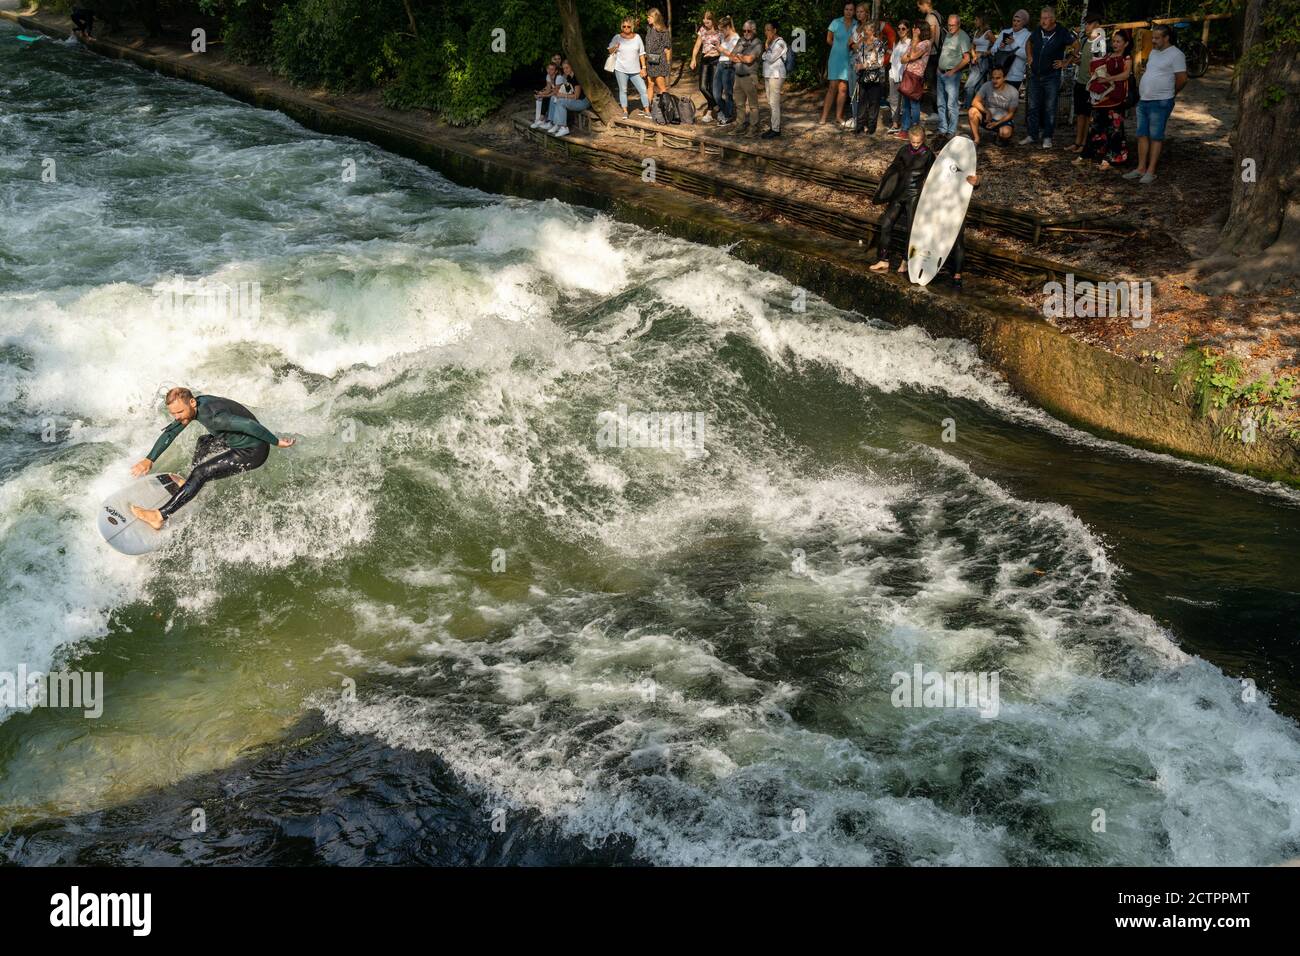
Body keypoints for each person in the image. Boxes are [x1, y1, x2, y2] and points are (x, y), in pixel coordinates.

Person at [128, 388, 294, 531]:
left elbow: (249, 425)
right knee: (204, 442)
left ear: (192, 402)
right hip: (232, 437)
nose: (177, 417)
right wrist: (149, 459)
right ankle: (189, 485)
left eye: (179, 412)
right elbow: (171, 431)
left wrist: (277, 441)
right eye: (174, 413)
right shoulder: (196, 405)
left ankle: (159, 516)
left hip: (252, 451)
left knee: (201, 473)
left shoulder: (215, 417)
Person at [1125, 23, 1188, 185]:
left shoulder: (1176, 55)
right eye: (1152, 37)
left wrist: (1170, 94)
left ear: (1167, 38)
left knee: (1156, 136)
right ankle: (1140, 168)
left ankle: (1151, 171)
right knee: (1141, 134)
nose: (1153, 40)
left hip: (1160, 101)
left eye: (1157, 38)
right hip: (1144, 99)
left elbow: (1182, 79)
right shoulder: (1153, 52)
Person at [869, 125, 935, 273]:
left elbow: (934, 177)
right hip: (899, 194)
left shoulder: (928, 154)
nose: (916, 145)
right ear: (909, 139)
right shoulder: (904, 151)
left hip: (914, 195)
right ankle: (883, 260)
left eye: (918, 142)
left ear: (923, 139)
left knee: (911, 229)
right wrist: (885, 191)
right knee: (886, 224)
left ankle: (906, 261)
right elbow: (893, 170)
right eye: (913, 142)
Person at [1076, 29, 1133, 170]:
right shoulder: (1106, 56)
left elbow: (1126, 74)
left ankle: (1113, 157)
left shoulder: (1127, 58)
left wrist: (1109, 79)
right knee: (1096, 125)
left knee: (1115, 128)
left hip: (1117, 96)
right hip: (1103, 96)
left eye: (1118, 41)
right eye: (1113, 41)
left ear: (1126, 44)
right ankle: (1089, 154)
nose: (1115, 44)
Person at [1020, 6, 1074, 148]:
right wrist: (1030, 56)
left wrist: (1066, 62)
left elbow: (1077, 45)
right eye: (1041, 18)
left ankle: (1047, 137)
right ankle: (1032, 135)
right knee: (1032, 106)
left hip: (1052, 76)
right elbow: (1028, 43)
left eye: (1046, 18)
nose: (1042, 21)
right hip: (1035, 75)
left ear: (1053, 19)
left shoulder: (1062, 32)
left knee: (1050, 107)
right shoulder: (1038, 31)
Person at [1067, 14, 1105, 153]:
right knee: (1080, 114)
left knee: (1088, 115)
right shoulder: (1083, 41)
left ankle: (1084, 144)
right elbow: (1081, 59)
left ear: (1096, 26)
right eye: (1086, 24)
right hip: (1080, 82)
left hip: (1092, 85)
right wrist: (1078, 61)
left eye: (1089, 24)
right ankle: (1077, 142)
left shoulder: (1101, 43)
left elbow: (1101, 65)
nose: (1086, 27)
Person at [724, 20, 764, 136]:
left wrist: (740, 57)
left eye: (748, 31)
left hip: (750, 77)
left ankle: (754, 126)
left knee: (753, 105)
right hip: (738, 76)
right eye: (744, 30)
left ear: (754, 30)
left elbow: (750, 59)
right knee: (739, 104)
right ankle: (740, 125)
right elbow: (731, 56)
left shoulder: (758, 43)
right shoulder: (741, 40)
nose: (746, 33)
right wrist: (741, 57)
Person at [935, 14, 972, 136]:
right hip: (941, 72)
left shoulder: (963, 37)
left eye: (952, 25)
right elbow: (945, 53)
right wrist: (938, 67)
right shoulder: (949, 35)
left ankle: (951, 131)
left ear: (959, 24)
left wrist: (953, 71)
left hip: (952, 75)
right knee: (941, 103)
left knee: (951, 104)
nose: (950, 27)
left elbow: (967, 59)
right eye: (948, 25)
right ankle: (942, 128)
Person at [822, 2, 858, 127]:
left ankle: (838, 116)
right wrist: (837, 47)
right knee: (832, 87)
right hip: (835, 59)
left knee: (843, 89)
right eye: (846, 9)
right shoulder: (836, 22)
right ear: (843, 10)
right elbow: (828, 39)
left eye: (851, 9)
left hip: (849, 59)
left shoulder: (856, 24)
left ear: (854, 11)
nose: (848, 11)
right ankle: (824, 117)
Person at [609, 17, 650, 120]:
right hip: (621, 69)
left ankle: (647, 111)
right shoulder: (617, 37)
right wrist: (615, 47)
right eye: (624, 26)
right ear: (621, 26)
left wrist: (643, 67)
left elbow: (641, 54)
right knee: (623, 90)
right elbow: (610, 50)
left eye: (628, 26)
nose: (626, 28)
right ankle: (625, 111)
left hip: (635, 70)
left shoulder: (637, 37)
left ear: (632, 27)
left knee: (643, 89)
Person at [852, 20, 888, 135]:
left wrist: (865, 65)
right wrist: (857, 65)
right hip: (862, 77)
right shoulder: (862, 43)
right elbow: (857, 57)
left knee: (873, 103)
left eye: (867, 30)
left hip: (875, 78)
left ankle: (871, 127)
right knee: (861, 102)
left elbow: (880, 62)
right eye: (864, 30)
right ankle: (860, 126)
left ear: (872, 31)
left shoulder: (878, 43)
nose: (865, 32)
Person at [968, 65, 1017, 145]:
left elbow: (1011, 113)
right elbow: (975, 102)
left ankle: (999, 134)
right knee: (972, 111)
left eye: (998, 78)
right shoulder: (987, 85)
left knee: (1005, 133)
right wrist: (986, 111)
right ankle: (976, 139)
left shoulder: (1013, 91)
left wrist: (997, 123)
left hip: (1003, 120)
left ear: (1004, 78)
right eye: (993, 78)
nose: (994, 81)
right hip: (988, 117)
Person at [897, 21, 931, 136]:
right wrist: (909, 55)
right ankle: (905, 130)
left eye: (915, 28)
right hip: (908, 74)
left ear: (921, 30)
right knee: (906, 104)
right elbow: (902, 59)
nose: (913, 31)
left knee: (914, 104)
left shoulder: (926, 43)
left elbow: (912, 56)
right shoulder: (914, 42)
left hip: (916, 76)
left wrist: (915, 40)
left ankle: (915, 130)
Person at [690, 11, 724, 123]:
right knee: (703, 87)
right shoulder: (702, 30)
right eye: (704, 19)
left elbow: (726, 49)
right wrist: (693, 58)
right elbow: (697, 45)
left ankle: (710, 112)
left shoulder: (720, 31)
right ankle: (719, 107)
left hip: (716, 60)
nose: (705, 22)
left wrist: (717, 53)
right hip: (705, 59)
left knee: (713, 88)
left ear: (713, 20)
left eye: (707, 20)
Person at [915, 0, 943, 121]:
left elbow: (932, 36)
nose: (918, 9)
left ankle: (936, 112)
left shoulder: (930, 17)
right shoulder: (937, 14)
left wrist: (924, 50)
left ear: (924, 4)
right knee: (934, 83)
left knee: (932, 84)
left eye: (919, 6)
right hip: (935, 53)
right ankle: (938, 110)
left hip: (932, 54)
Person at [761, 20, 789, 139]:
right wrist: (766, 51)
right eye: (765, 30)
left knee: (774, 102)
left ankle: (776, 129)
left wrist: (766, 47)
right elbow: (763, 57)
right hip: (769, 75)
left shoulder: (780, 43)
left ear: (774, 30)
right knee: (770, 102)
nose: (766, 32)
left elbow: (770, 58)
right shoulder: (772, 44)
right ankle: (774, 126)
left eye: (768, 30)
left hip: (776, 75)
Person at [962, 13, 996, 111]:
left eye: (976, 20)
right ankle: (978, 107)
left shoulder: (988, 33)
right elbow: (972, 46)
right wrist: (973, 55)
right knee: (978, 87)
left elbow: (996, 46)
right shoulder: (977, 32)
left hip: (983, 61)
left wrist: (986, 53)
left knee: (969, 85)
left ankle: (967, 107)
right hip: (975, 60)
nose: (975, 21)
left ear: (982, 21)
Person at [546, 61, 589, 137]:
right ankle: (555, 124)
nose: (565, 70)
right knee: (553, 98)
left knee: (561, 101)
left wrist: (562, 95)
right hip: (575, 100)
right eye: (563, 68)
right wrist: (558, 93)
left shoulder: (577, 78)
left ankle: (564, 127)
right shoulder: (568, 77)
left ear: (572, 67)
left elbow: (576, 96)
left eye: (567, 68)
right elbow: (569, 91)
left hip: (582, 102)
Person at [992, 9, 1030, 89]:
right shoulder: (1005, 32)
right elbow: (993, 50)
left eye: (1018, 21)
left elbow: (1026, 55)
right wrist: (1000, 47)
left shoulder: (1027, 35)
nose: (1015, 23)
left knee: (1011, 100)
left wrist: (1013, 44)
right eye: (1014, 20)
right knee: (997, 100)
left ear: (1023, 22)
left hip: (1015, 76)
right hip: (999, 75)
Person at [886, 20, 912, 134]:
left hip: (904, 75)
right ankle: (895, 123)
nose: (901, 31)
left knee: (904, 102)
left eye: (903, 29)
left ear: (908, 30)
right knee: (893, 100)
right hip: (893, 74)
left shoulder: (910, 43)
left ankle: (906, 125)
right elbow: (893, 60)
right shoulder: (896, 43)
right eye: (899, 29)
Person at [713, 16, 740, 126]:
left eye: (722, 30)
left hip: (729, 66)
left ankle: (728, 115)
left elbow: (734, 56)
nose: (721, 32)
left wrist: (721, 49)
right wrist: (718, 48)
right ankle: (725, 111)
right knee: (716, 94)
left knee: (728, 93)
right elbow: (722, 53)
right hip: (720, 64)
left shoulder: (736, 38)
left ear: (728, 27)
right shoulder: (724, 36)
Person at [644, 8, 673, 108]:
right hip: (650, 61)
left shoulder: (663, 31)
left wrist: (668, 63)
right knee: (650, 85)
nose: (647, 19)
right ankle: (648, 108)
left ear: (655, 17)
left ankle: (667, 110)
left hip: (659, 62)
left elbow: (668, 48)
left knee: (662, 88)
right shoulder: (649, 28)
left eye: (649, 17)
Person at [531, 61, 559, 129]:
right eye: (548, 69)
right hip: (555, 94)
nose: (549, 71)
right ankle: (540, 120)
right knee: (542, 98)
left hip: (561, 95)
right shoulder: (548, 76)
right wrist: (540, 94)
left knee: (547, 97)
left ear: (556, 71)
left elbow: (555, 92)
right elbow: (548, 90)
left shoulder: (558, 78)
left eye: (552, 69)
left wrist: (544, 95)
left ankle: (542, 120)